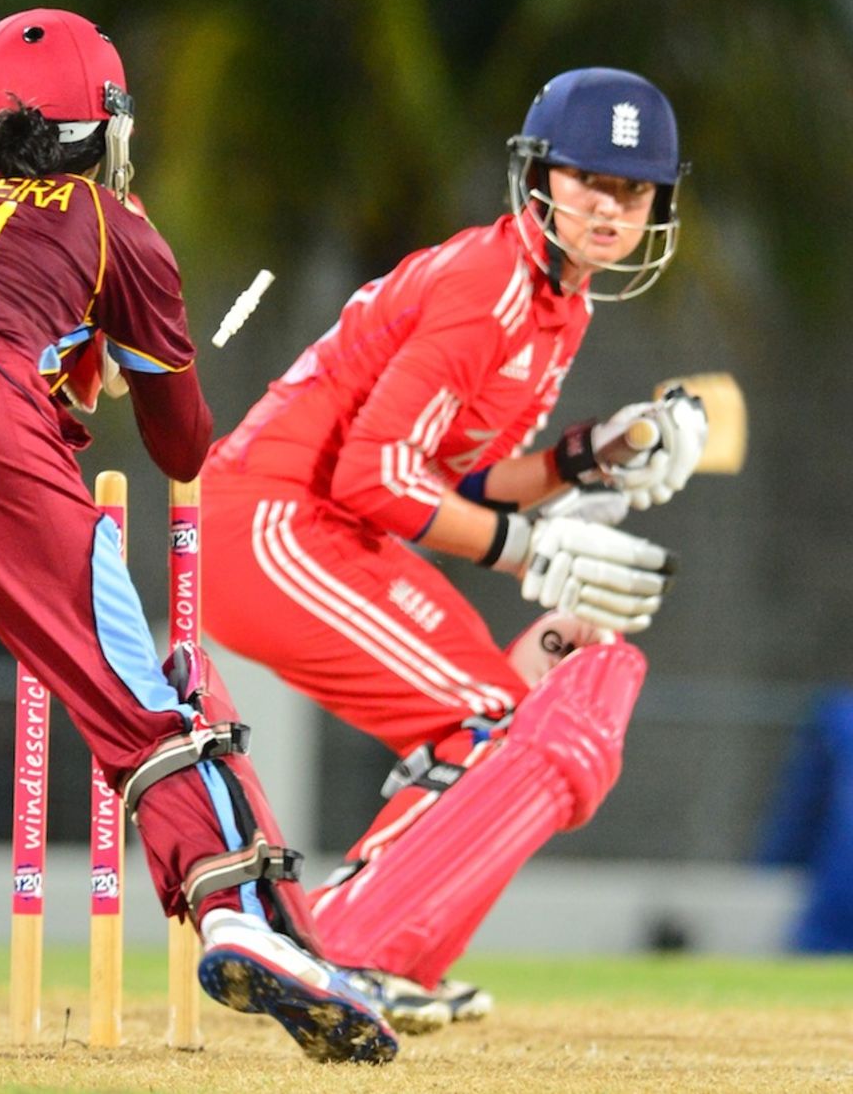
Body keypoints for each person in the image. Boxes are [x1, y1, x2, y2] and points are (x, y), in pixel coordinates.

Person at [0, 8, 397, 1064]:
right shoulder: (112, 223)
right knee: (134, 693)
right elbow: (182, 445)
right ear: (110, 130)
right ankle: (241, 916)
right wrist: (126, 358)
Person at [199, 67, 709, 1033]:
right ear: (539, 177)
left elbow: (456, 479)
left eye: (631, 189)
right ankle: (337, 950)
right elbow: (373, 478)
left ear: (657, 205)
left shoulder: (559, 304)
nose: (607, 205)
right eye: (587, 178)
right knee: (480, 717)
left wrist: (596, 453)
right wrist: (529, 553)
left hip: (326, 522)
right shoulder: (488, 284)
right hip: (272, 518)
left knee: (511, 728)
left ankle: (386, 954)